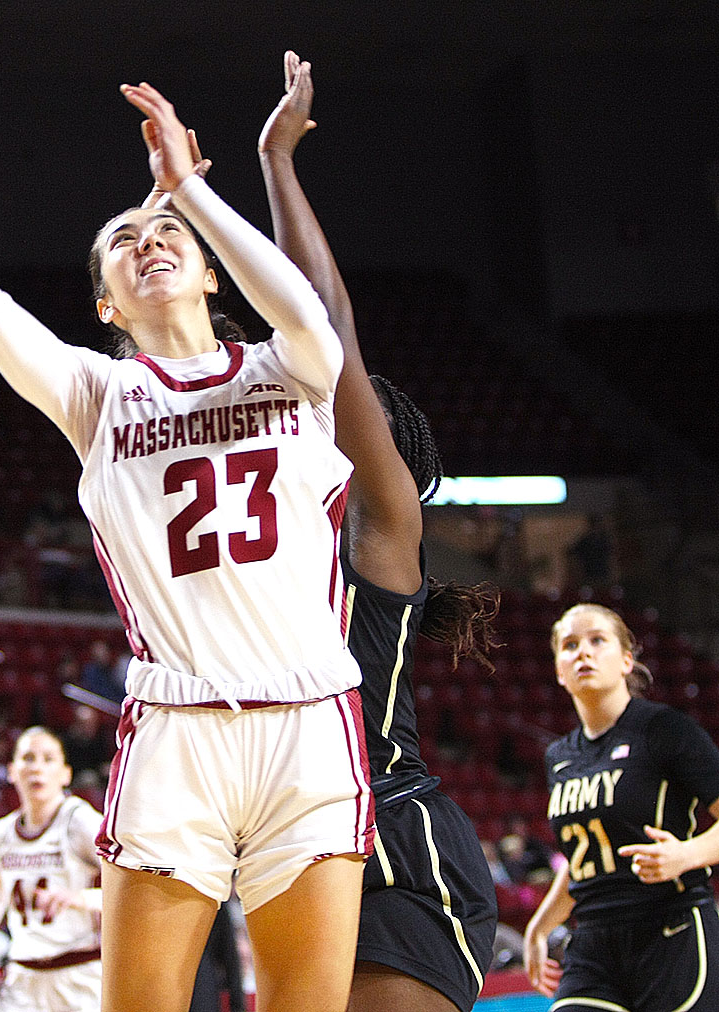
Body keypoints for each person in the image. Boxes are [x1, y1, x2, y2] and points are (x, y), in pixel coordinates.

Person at [0, 65, 373, 1012]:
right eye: (123, 242)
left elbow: (308, 310)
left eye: (166, 235)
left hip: (311, 726)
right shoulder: (97, 395)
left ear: (208, 267)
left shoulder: (291, 366)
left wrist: (188, 187)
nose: (148, 242)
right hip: (179, 731)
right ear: (106, 303)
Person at [257, 52, 498, 1011]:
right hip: (293, 848)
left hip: (394, 840)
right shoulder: (270, 551)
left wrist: (277, 167)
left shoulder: (380, 532)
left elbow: (326, 331)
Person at [523, 602, 719, 1009]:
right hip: (594, 940)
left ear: (627, 660)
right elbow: (586, 856)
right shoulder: (559, 756)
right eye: (570, 645)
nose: (583, 652)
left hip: (670, 928)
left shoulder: (666, 729)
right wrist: (540, 928)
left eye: (597, 640)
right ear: (559, 671)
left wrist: (687, 854)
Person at [0, 727, 102, 1012]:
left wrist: (81, 898)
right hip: (23, 974)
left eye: (48, 758)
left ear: (65, 774)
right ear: (12, 771)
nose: (37, 767)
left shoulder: (80, 821)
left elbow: (130, 888)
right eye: (28, 758)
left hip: (81, 971)